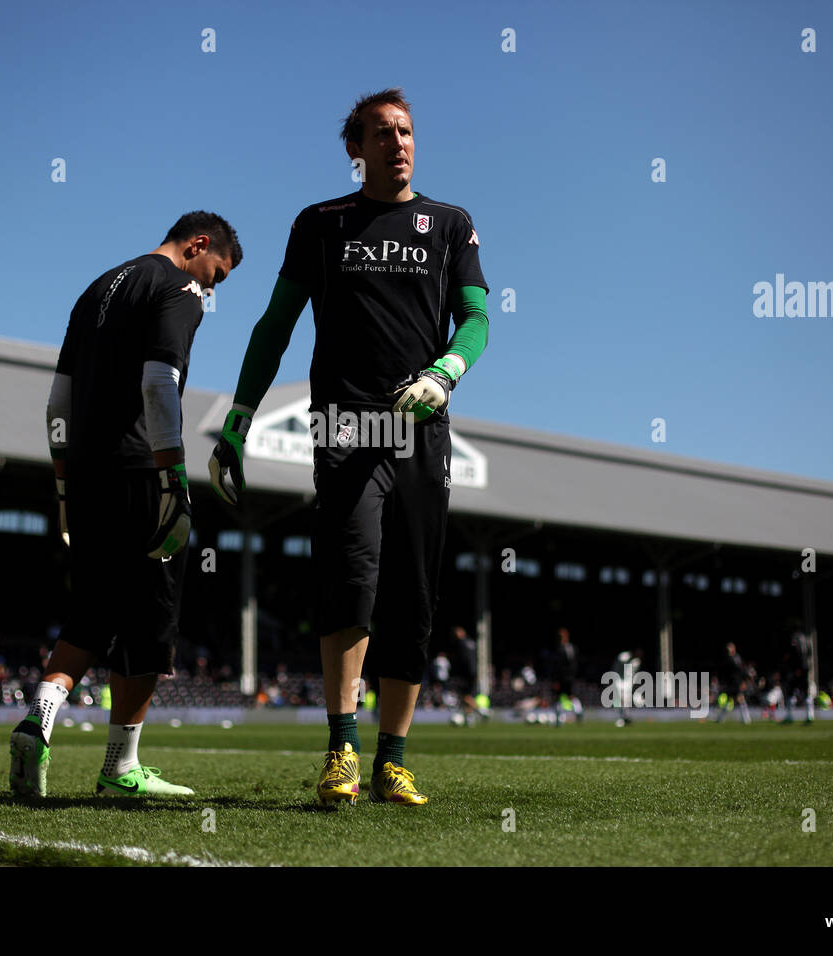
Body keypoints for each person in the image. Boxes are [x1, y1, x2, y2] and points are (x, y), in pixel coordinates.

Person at [208, 89, 489, 806]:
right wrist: (240, 416)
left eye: (408, 131)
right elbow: (275, 324)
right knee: (350, 582)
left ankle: (395, 759)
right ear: (354, 150)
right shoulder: (321, 223)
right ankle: (342, 751)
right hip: (343, 426)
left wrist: (444, 372)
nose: (399, 143)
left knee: (413, 597)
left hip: (420, 430)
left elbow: (479, 319)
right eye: (383, 133)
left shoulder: (450, 224)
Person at [8, 211, 241, 799]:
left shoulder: (95, 289)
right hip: (142, 469)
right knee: (151, 621)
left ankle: (38, 719)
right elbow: (160, 382)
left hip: (86, 473)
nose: (210, 291)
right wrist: (173, 478)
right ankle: (120, 766)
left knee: (90, 611)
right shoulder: (177, 285)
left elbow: (57, 400)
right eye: (216, 276)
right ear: (198, 245)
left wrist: (64, 485)